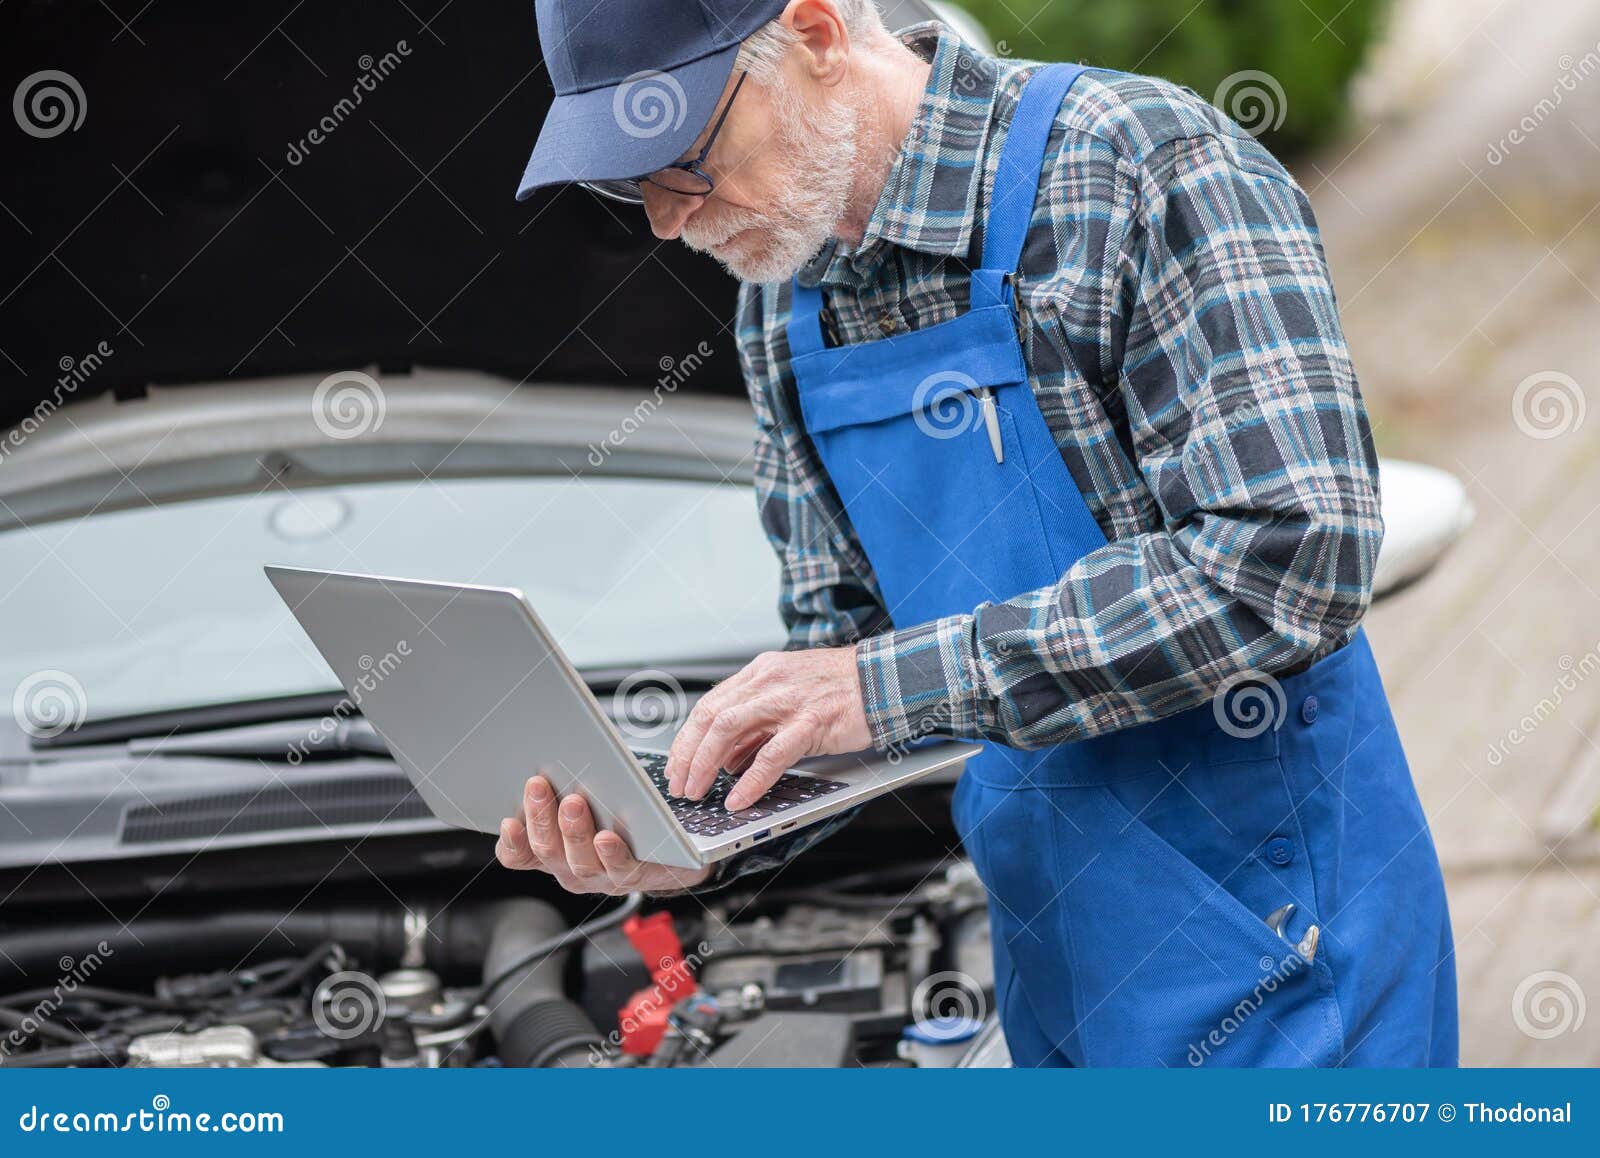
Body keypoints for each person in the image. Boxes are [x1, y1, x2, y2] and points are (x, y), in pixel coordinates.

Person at [495, 0, 1458, 1067]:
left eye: (685, 161)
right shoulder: (782, 306)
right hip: (1052, 963)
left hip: (1282, 950)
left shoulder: (1139, 168)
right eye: (629, 185)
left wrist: (881, 686)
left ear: (815, 35)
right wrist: (700, 837)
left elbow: (1288, 559)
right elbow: (844, 668)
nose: (667, 223)